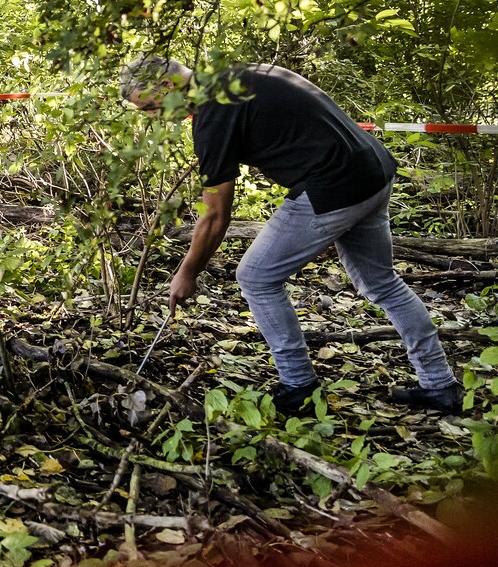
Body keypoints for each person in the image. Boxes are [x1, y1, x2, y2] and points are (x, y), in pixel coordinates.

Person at [119, 57, 462, 415]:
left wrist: (188, 271)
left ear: (168, 86)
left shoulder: (214, 114)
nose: (153, 116)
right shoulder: (236, 73)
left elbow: (216, 215)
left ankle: (299, 386)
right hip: (373, 168)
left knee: (256, 276)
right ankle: (440, 384)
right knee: (383, 282)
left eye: (150, 106)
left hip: (333, 185)